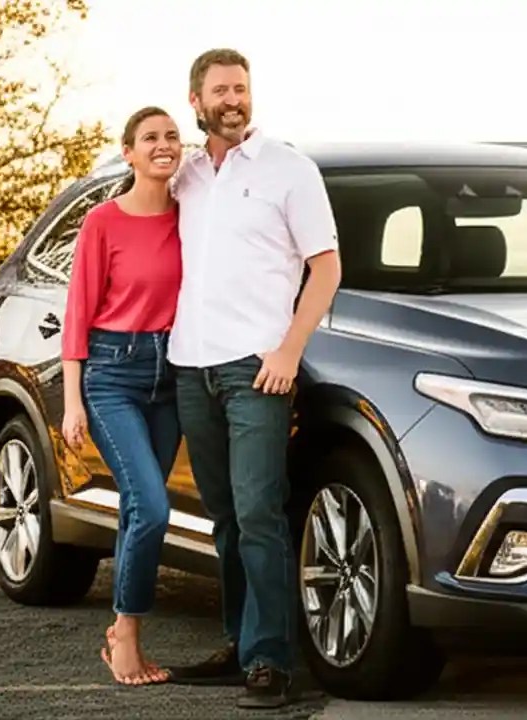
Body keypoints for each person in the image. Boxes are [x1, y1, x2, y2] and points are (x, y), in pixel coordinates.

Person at [161, 48, 342, 710]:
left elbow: (325, 268)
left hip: (257, 370)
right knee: (226, 516)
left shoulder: (288, 170)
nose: (234, 99)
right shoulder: (185, 177)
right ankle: (240, 644)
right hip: (191, 366)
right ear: (197, 102)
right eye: (221, 91)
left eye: (241, 88)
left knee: (261, 512)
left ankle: (272, 660)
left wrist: (289, 351)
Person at [61, 106, 185, 686]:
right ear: (129, 153)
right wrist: (72, 401)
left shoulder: (191, 218)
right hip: (113, 375)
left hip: (172, 375)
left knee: (140, 507)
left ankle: (120, 634)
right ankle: (128, 635)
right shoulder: (102, 224)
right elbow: (77, 317)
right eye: (150, 138)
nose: (163, 145)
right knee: (153, 507)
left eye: (171, 136)